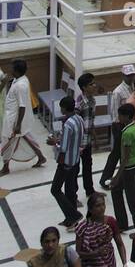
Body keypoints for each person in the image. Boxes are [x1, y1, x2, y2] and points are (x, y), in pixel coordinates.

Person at [1, 58, 47, 174]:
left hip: (15, 120)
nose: (9, 69)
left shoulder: (20, 85)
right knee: (26, 138)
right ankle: (41, 157)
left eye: (12, 68)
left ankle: (6, 167)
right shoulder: (20, 80)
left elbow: (22, 106)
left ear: (16, 71)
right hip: (13, 117)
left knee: (7, 142)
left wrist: (18, 125)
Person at [50, 95, 85, 227]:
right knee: (70, 190)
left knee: (55, 189)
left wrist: (55, 142)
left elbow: (63, 148)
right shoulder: (79, 119)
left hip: (66, 162)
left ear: (64, 108)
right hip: (76, 159)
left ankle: (74, 215)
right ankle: (71, 218)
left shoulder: (68, 124)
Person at [109, 103, 135, 232]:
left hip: (128, 168)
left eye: (120, 115)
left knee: (131, 197)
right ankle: (122, 223)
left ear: (127, 116)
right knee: (118, 191)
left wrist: (116, 176)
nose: (119, 118)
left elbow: (125, 158)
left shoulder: (127, 133)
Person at [74, 71, 99, 199]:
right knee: (74, 169)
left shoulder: (92, 101)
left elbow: (91, 121)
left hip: (87, 140)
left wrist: (94, 137)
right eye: (91, 84)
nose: (94, 86)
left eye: (94, 83)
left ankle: (90, 191)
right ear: (84, 87)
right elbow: (74, 123)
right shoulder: (79, 103)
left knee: (88, 166)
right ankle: (73, 196)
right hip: (78, 143)